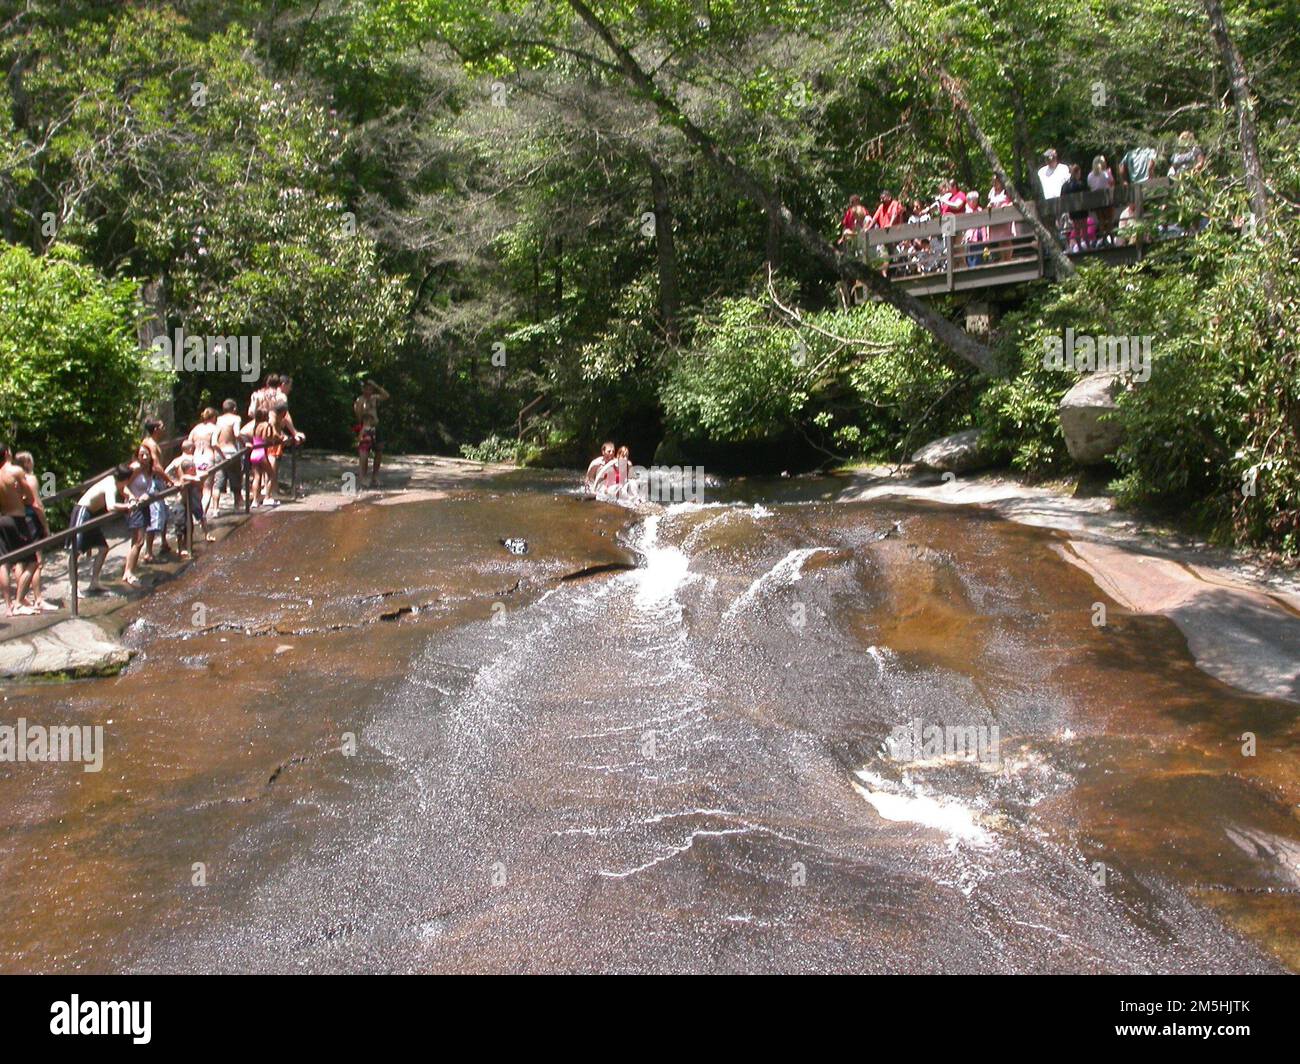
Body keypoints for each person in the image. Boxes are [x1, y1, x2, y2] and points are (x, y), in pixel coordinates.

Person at [69, 464, 134, 593]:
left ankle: (94, 582)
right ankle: (73, 587)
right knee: (75, 551)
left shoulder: (113, 481)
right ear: (126, 479)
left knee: (103, 548)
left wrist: (131, 498)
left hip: (91, 514)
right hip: (82, 512)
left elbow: (124, 489)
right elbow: (111, 506)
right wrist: (127, 507)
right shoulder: (110, 485)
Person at [0, 445, 40, 615]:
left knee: (4, 563)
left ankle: (9, 606)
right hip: (18, 519)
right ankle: (18, 602)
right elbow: (30, 497)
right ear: (7, 453)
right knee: (33, 561)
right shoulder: (15, 471)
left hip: (3, 518)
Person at [12, 452, 53, 612]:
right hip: (32, 520)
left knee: (21, 561)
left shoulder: (13, 480)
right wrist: (45, 526)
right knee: (37, 561)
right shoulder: (30, 479)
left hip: (18, 520)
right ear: (28, 462)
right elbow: (37, 505)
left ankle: (23, 597)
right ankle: (36, 599)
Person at [139, 418, 174, 560]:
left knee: (164, 510)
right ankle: (148, 551)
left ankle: (163, 542)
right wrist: (169, 480)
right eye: (162, 426)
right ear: (155, 429)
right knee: (155, 513)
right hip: (152, 481)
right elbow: (155, 466)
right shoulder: (149, 444)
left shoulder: (154, 442)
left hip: (158, 480)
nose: (164, 428)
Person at [122, 448, 155, 586]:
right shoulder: (135, 468)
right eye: (142, 454)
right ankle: (128, 573)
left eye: (147, 454)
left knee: (136, 540)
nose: (145, 457)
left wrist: (147, 494)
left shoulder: (149, 469)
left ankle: (130, 569)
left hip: (144, 506)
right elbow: (123, 486)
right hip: (135, 507)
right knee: (139, 541)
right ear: (137, 456)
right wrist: (131, 498)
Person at [210, 399, 244, 515]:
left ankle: (215, 509)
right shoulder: (236, 418)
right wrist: (245, 442)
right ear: (234, 409)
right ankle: (236, 507)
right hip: (232, 451)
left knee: (218, 482)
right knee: (235, 479)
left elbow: (213, 441)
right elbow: (237, 434)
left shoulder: (218, 420)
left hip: (219, 453)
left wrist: (220, 453)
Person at [354, 381, 389, 490]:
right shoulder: (360, 400)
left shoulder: (374, 398)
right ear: (363, 389)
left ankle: (375, 476)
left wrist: (376, 385)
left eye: (370, 389)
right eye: (367, 389)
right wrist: (363, 428)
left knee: (379, 451)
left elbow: (386, 396)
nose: (369, 391)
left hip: (376, 426)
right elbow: (358, 416)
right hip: (365, 427)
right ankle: (363, 477)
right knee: (364, 453)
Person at [1088, 155, 1116, 247]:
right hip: (1107, 200)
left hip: (1097, 202)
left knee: (1101, 221)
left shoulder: (1090, 176)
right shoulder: (1106, 173)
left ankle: (1104, 239)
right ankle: (1111, 240)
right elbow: (1112, 184)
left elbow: (1091, 187)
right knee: (1109, 221)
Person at [1061, 163, 1090, 252]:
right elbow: (1087, 194)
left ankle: (1079, 246)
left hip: (1073, 210)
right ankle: (1088, 246)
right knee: (1084, 227)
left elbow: (1062, 196)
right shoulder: (1081, 184)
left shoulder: (1065, 185)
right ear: (1077, 172)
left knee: (1076, 228)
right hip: (1082, 209)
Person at [986, 175, 1014, 261]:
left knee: (1006, 239)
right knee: (1000, 240)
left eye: (996, 181)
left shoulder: (1006, 191)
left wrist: (1006, 206)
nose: (994, 183)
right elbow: (990, 203)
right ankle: (1003, 257)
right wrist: (989, 206)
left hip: (1005, 217)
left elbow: (1012, 202)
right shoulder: (992, 192)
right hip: (996, 218)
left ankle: (1008, 258)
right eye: (993, 181)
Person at [963, 190, 987, 267]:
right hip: (970, 237)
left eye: (975, 200)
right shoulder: (966, 211)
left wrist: (985, 237)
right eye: (972, 200)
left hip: (979, 236)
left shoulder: (979, 209)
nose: (974, 202)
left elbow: (983, 224)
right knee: (971, 256)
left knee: (979, 256)